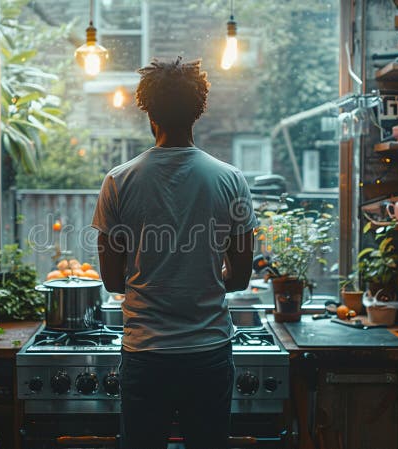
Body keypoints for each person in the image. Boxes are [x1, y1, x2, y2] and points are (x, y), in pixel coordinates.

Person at [92, 57, 257, 449]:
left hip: (146, 356)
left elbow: (113, 280)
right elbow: (241, 277)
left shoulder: (118, 182)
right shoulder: (230, 180)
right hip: (209, 354)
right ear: (198, 112)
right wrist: (200, 276)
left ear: (150, 113)